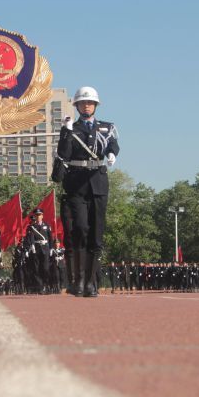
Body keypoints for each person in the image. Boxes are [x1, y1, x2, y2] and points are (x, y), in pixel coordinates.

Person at [57, 86, 120, 297]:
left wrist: (112, 154)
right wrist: (66, 132)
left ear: (95, 105)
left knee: (96, 234)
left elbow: (112, 144)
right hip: (76, 183)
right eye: (83, 103)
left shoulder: (107, 127)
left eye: (90, 103)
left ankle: (92, 282)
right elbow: (63, 154)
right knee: (81, 229)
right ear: (77, 106)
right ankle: (79, 280)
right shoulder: (71, 128)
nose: (87, 106)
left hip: (98, 182)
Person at [24, 208, 53, 294]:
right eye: (36, 215)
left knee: (45, 268)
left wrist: (51, 248)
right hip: (36, 249)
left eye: (39, 215)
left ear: (42, 216)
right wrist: (32, 245)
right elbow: (31, 237)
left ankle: (46, 284)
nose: (38, 217)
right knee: (36, 269)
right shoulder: (32, 227)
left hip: (45, 248)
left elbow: (50, 238)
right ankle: (41, 286)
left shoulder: (47, 225)